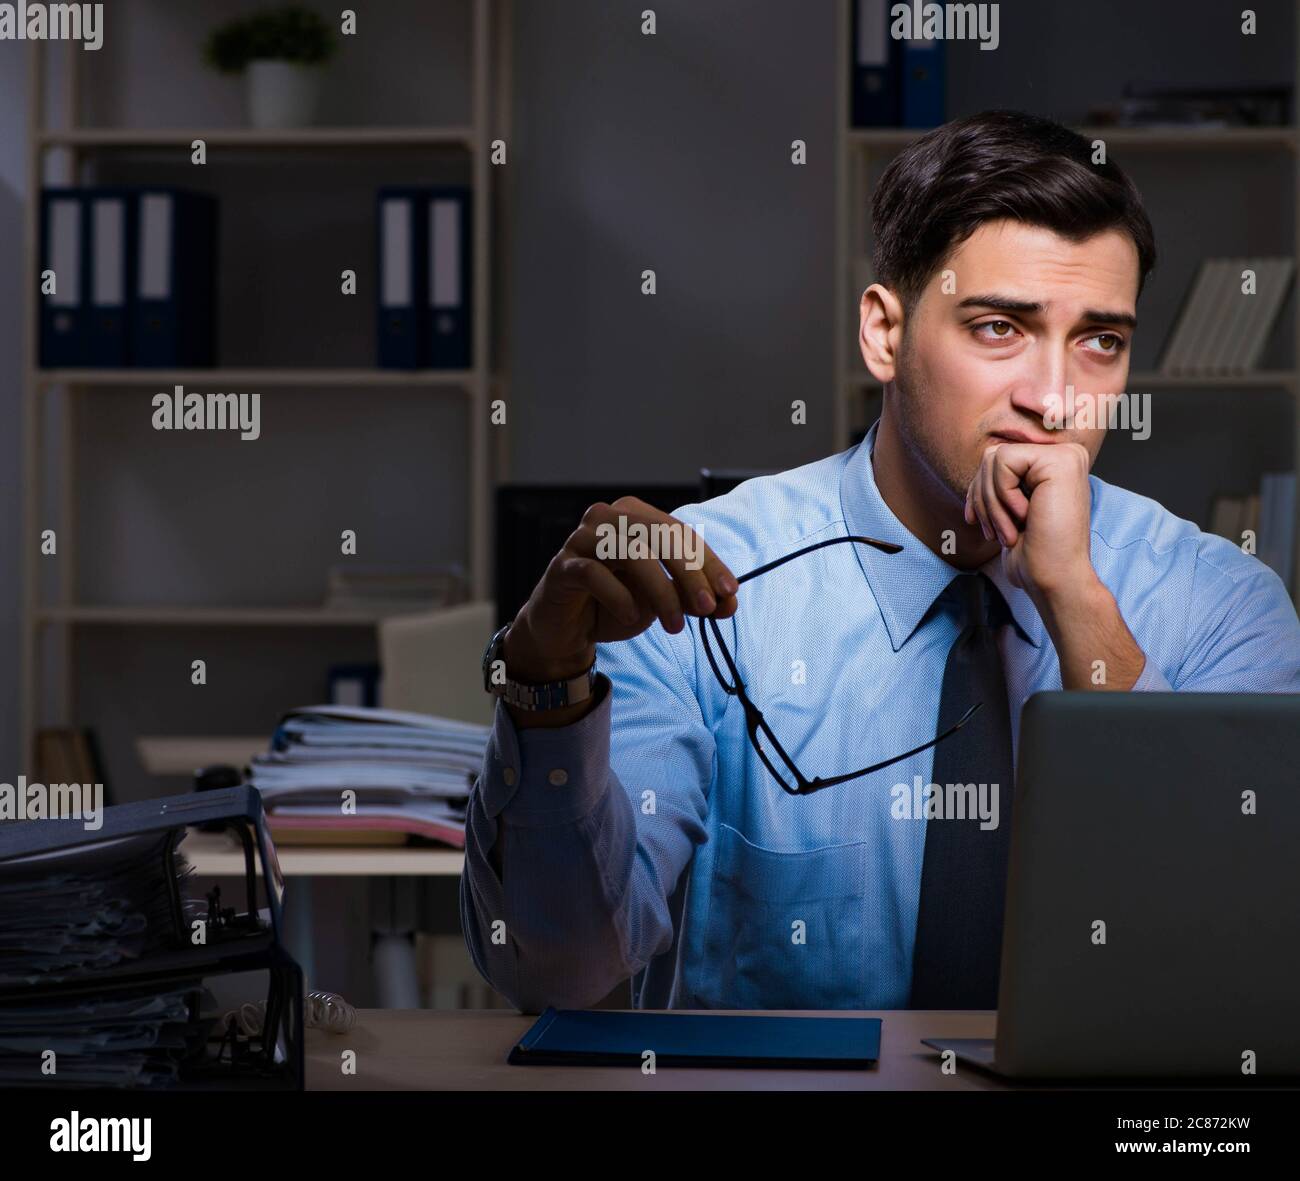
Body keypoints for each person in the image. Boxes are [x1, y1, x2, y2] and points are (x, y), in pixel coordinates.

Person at [460, 109, 1300, 1014]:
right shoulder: (702, 588)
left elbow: (1236, 961)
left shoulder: (1222, 602)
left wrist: (1074, 597)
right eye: (998, 327)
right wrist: (548, 691)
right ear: (883, 335)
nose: (1055, 398)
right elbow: (561, 972)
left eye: (1101, 341)